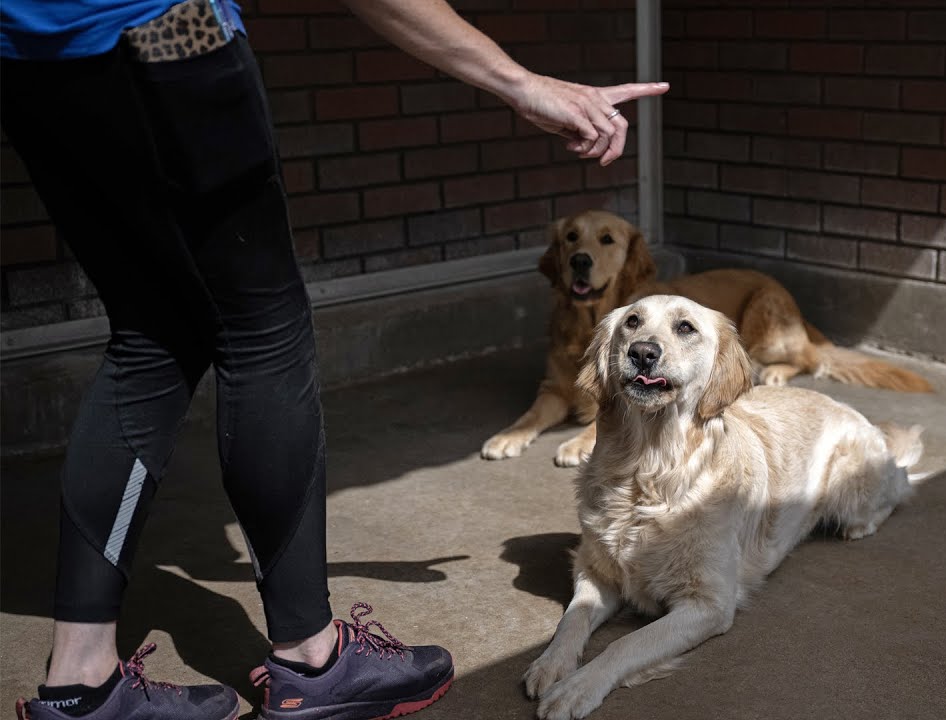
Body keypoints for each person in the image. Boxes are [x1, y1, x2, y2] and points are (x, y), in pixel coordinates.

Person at [1, 0, 667, 717]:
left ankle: (80, 682)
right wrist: (518, 81)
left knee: (150, 335)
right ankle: (312, 661)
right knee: (263, 333)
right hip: (166, 32)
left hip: (31, 58)